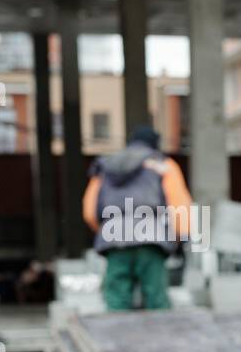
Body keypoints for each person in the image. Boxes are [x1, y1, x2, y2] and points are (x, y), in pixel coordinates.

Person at [82, 124, 192, 310]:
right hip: (151, 238)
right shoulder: (164, 165)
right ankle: (160, 338)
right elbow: (180, 206)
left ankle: (114, 339)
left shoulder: (106, 166)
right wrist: (181, 237)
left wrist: (105, 230)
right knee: (156, 301)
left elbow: (90, 210)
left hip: (114, 237)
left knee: (116, 300)